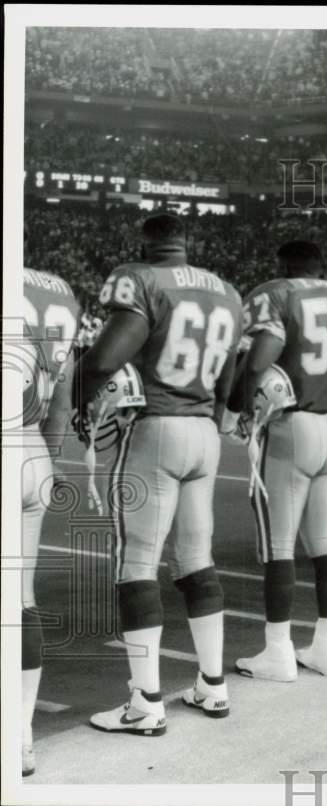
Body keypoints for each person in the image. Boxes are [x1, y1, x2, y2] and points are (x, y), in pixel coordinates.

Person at [75, 213, 243, 734]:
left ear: (146, 243)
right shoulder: (226, 292)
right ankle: (212, 686)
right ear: (186, 242)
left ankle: (146, 703)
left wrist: (77, 397)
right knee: (196, 562)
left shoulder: (141, 278)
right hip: (204, 432)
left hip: (156, 429)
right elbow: (229, 386)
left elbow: (104, 359)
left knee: (137, 566)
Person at [231, 241, 327, 681]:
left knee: (279, 546)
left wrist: (236, 407)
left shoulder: (278, 293)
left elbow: (257, 363)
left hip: (292, 427)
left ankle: (278, 651)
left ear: (282, 264)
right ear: (321, 266)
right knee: (323, 542)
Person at [21, 268, 80, 775]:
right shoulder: (58, 290)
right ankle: (20, 737)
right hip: (34, 450)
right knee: (21, 599)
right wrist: (50, 457)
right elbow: (62, 398)